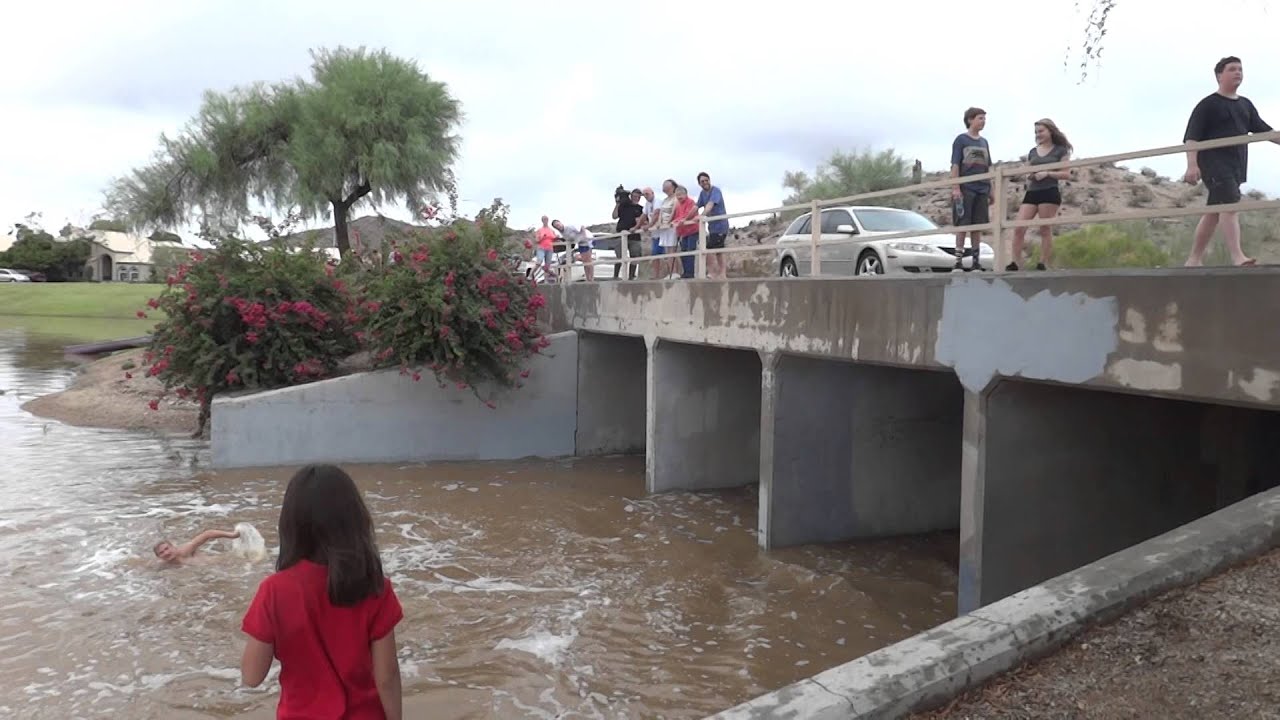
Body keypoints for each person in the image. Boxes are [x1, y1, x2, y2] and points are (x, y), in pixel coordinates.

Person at [240, 464, 403, 720]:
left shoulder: (273, 591)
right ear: (354, 520)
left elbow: (251, 676)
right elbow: (387, 677)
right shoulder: (375, 588)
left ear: (291, 525)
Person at [1183, 55, 1277, 267]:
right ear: (1219, 75)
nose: (1238, 73)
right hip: (1214, 163)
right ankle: (1237, 257)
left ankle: (1194, 259)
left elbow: (1264, 130)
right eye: (1232, 69)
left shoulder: (1245, 104)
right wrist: (1192, 164)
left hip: (1236, 165)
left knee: (1215, 212)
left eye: (1240, 69)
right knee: (1230, 204)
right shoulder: (1208, 105)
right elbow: (1192, 137)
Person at [1008, 119, 1073, 271]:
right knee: (1019, 227)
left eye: (1041, 131)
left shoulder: (1060, 150)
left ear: (1050, 131)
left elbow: (1066, 174)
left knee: (1044, 228)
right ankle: (1015, 263)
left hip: (1049, 190)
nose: (1038, 134)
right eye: (1036, 132)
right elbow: (1026, 171)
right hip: (1032, 191)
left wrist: (1047, 173)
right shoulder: (1033, 151)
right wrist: (1029, 175)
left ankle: (1043, 263)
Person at [950, 107, 993, 272]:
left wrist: (991, 189)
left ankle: (976, 261)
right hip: (966, 187)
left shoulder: (984, 142)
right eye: (980, 118)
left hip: (982, 187)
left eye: (984, 119)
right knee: (963, 224)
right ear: (970, 120)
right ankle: (958, 261)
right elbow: (955, 164)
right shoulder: (961, 140)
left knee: (977, 225)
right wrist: (956, 187)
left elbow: (988, 167)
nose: (983, 122)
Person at [695, 172, 730, 280]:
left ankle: (714, 273)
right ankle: (721, 274)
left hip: (721, 225)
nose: (705, 182)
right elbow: (696, 206)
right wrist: (685, 219)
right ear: (699, 183)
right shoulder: (702, 194)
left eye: (706, 180)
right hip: (712, 227)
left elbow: (710, 205)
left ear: (709, 180)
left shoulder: (716, 191)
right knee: (719, 250)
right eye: (702, 181)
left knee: (708, 249)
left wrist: (702, 215)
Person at [610, 187, 646, 280]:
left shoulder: (641, 209)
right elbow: (614, 216)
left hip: (634, 235)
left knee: (635, 257)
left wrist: (637, 225)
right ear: (631, 196)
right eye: (634, 196)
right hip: (621, 234)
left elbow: (643, 221)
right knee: (620, 257)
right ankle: (616, 276)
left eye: (638, 196)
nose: (636, 198)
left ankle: (631, 277)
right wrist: (618, 203)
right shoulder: (624, 205)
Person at [153, 527, 240, 564]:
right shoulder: (163, 564)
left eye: (167, 548)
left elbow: (208, 534)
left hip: (217, 562)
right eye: (161, 552)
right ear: (159, 557)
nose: (166, 552)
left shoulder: (184, 551)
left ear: (173, 547)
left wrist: (233, 535)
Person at [652, 180, 679, 279]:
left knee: (672, 250)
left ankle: (674, 272)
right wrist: (659, 222)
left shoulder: (675, 198)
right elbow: (661, 212)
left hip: (671, 226)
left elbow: (673, 211)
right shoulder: (665, 200)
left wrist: (668, 222)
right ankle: (671, 272)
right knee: (667, 251)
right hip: (664, 227)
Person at [672, 184, 699, 279]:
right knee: (683, 253)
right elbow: (677, 217)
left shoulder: (690, 202)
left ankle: (690, 273)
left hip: (692, 231)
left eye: (680, 194)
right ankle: (686, 272)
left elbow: (688, 215)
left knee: (690, 251)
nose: (679, 197)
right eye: (677, 195)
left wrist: (680, 221)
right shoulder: (678, 205)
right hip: (683, 232)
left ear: (685, 194)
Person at [534, 215, 558, 281]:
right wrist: (542, 237)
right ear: (542, 221)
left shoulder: (551, 230)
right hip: (541, 248)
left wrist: (557, 238)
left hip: (549, 249)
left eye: (546, 219)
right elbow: (536, 240)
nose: (545, 220)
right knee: (539, 261)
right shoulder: (539, 230)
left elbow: (554, 239)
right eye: (544, 219)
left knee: (547, 267)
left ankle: (550, 277)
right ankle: (530, 275)